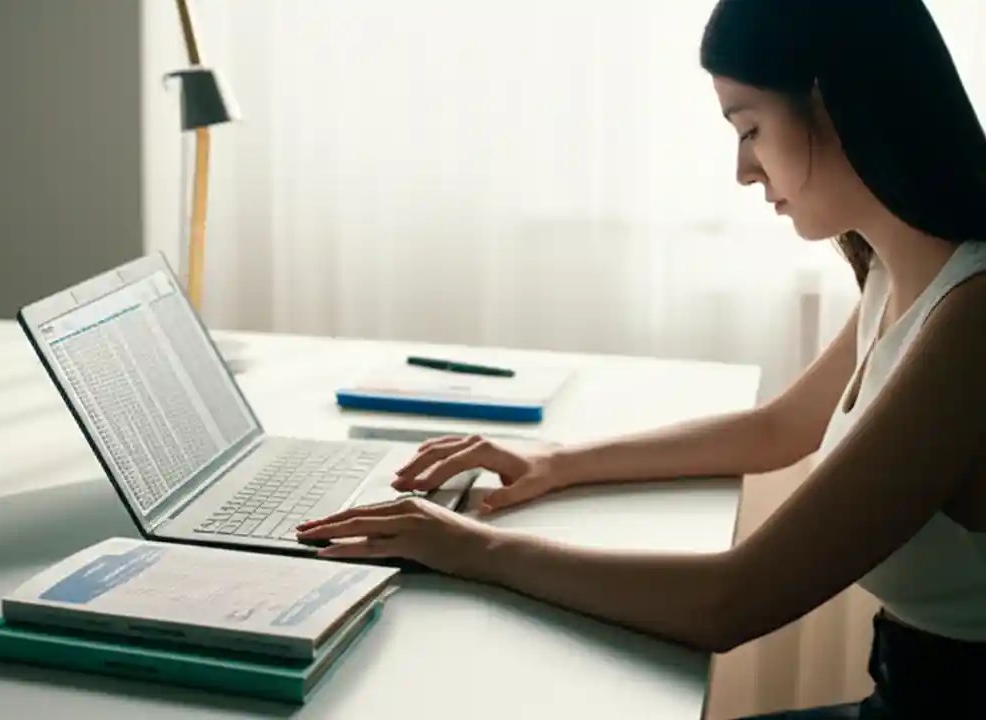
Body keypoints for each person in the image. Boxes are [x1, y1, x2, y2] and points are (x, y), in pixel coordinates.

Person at [296, 0, 986, 716]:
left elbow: (731, 599)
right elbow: (780, 428)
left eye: (749, 128)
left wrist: (473, 549)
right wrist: (556, 462)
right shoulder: (898, 271)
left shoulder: (972, 316)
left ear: (835, 104)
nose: (743, 170)